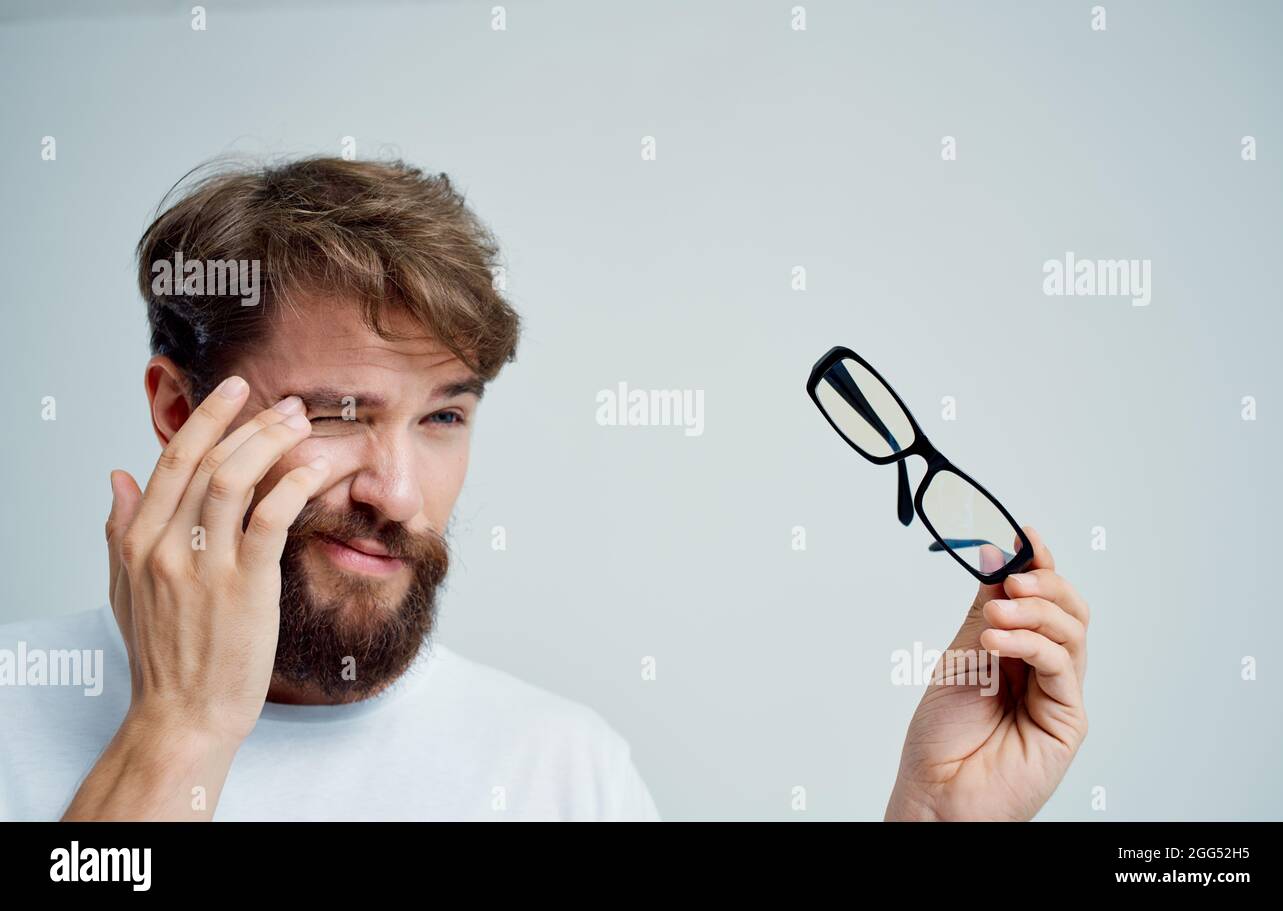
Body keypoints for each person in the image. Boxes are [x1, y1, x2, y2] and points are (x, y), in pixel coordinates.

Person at [0, 158, 1087, 821]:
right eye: (339, 412)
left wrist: (938, 822)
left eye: (443, 416)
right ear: (183, 412)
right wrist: (178, 732)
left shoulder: (559, 770)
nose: (398, 490)